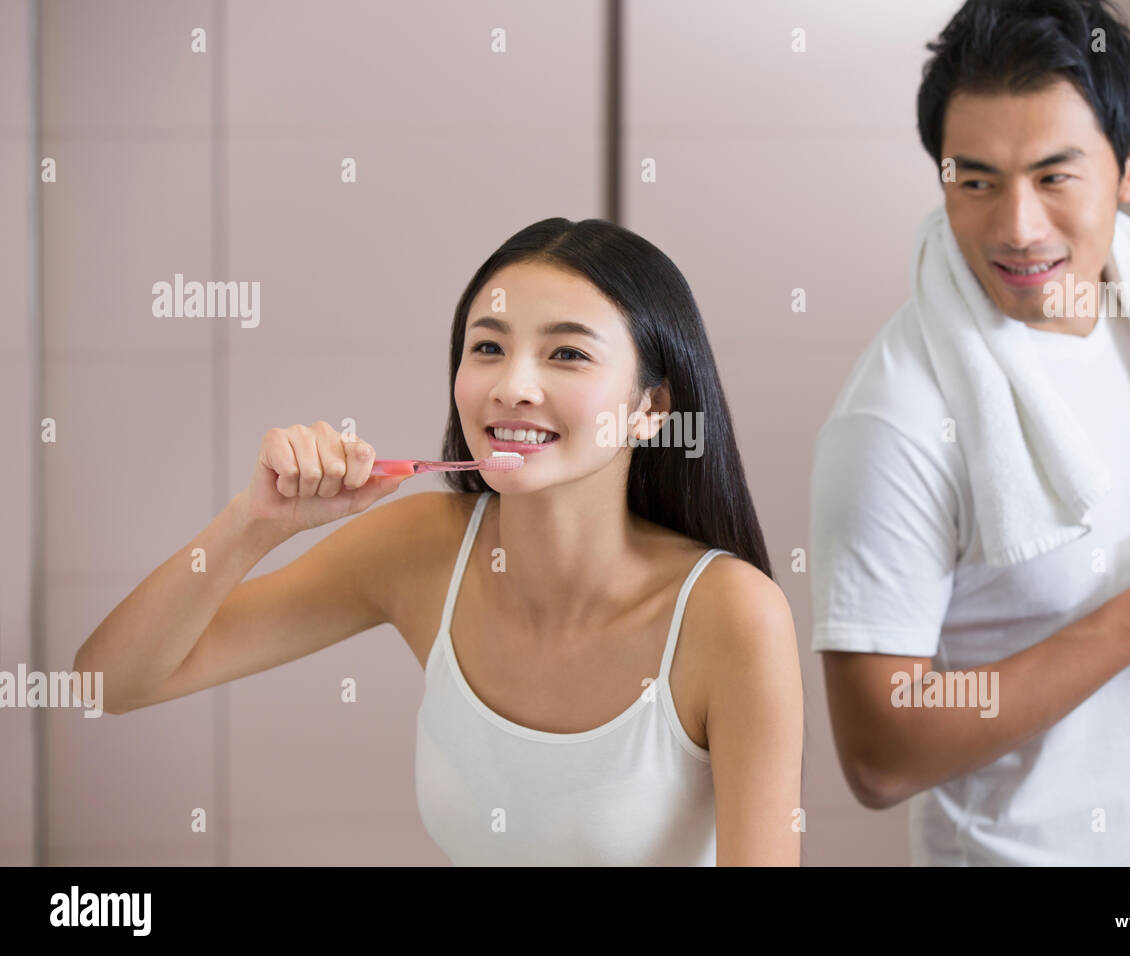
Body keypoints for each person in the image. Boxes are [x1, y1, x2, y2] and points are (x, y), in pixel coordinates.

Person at [77, 217, 803, 866]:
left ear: (651, 409)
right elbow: (109, 683)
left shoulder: (731, 615)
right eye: (488, 346)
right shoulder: (420, 547)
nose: (512, 385)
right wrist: (254, 524)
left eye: (568, 355)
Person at [811, 0, 1130, 865]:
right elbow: (877, 754)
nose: (1017, 227)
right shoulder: (898, 419)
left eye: (1054, 176)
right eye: (977, 180)